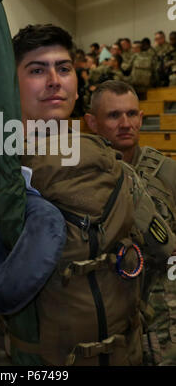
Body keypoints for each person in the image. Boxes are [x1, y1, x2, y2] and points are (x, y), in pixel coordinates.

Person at [0, 25, 175, 367]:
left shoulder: (112, 168)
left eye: (64, 68)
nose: (55, 80)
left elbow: (165, 257)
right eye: (37, 70)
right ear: (9, 83)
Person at [84, 80, 176, 365]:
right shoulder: (76, 180)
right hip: (103, 322)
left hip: (163, 325)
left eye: (132, 114)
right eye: (114, 116)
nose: (126, 123)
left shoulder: (167, 173)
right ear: (92, 122)